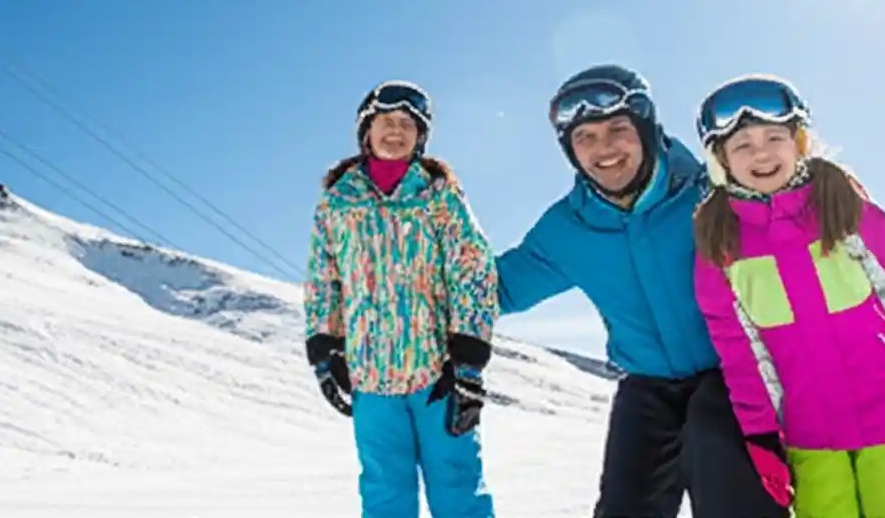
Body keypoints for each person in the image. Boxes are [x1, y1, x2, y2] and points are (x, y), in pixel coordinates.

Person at [494, 64, 787, 517]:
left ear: (647, 130)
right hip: (647, 386)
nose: (604, 148)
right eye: (584, 138)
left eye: (617, 129)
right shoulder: (567, 228)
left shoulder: (712, 190)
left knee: (732, 489)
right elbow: (496, 290)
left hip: (733, 376)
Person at [691, 74, 885, 517]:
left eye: (774, 137)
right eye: (742, 145)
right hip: (810, 440)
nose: (760, 152)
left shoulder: (844, 208)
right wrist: (761, 436)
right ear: (721, 159)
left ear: (799, 142)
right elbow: (740, 357)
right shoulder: (719, 248)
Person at [303, 79, 499, 518]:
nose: (396, 130)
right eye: (386, 121)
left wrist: (468, 354)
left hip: (437, 374)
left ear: (421, 138)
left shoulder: (438, 195)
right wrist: (323, 346)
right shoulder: (336, 203)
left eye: (407, 124)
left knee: (457, 484)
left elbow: (473, 266)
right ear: (365, 132)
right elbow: (323, 278)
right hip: (370, 378)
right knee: (384, 492)